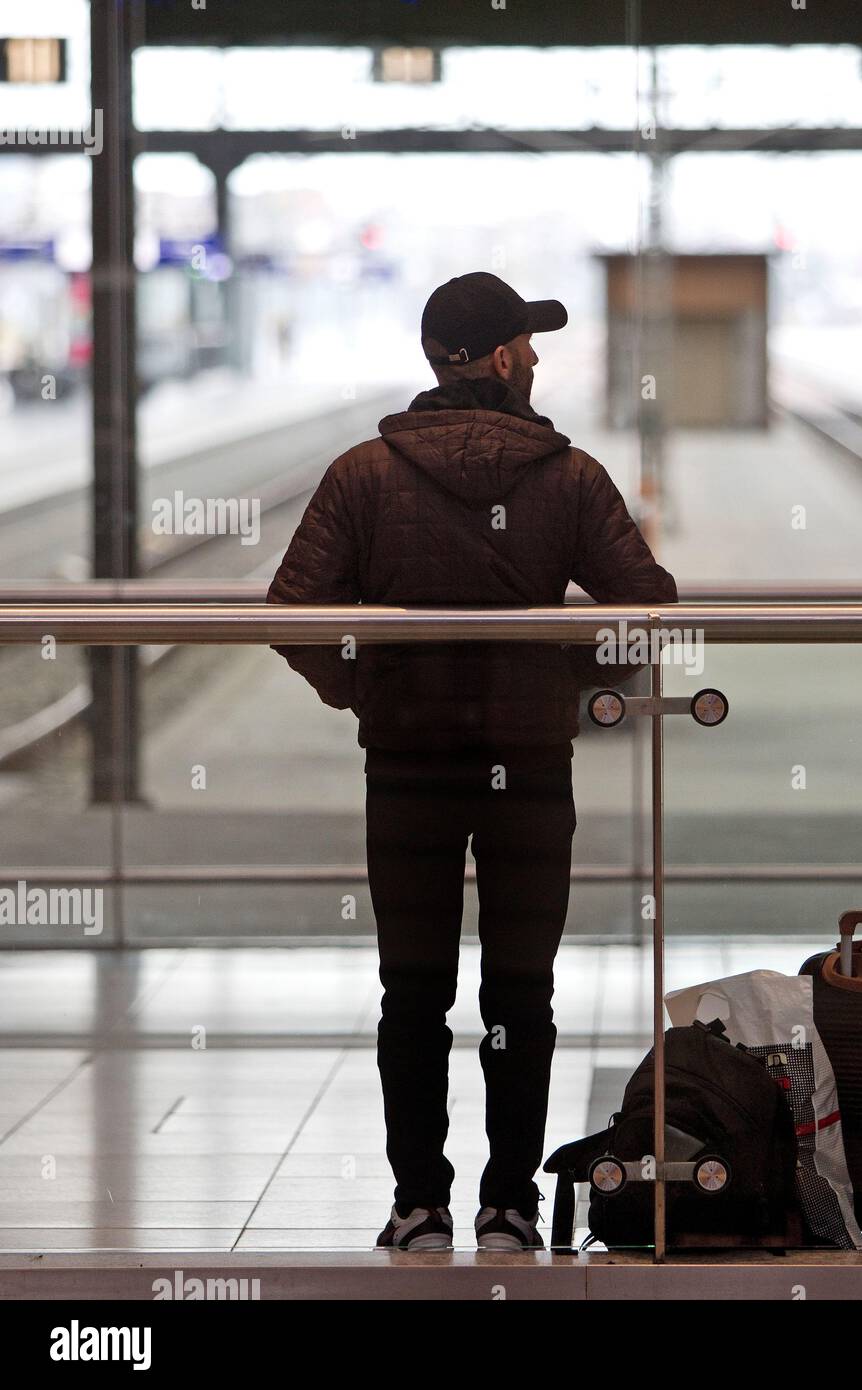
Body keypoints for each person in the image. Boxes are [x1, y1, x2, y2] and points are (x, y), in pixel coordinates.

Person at [267, 271, 677, 1251]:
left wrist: (363, 685)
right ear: (496, 359)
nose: (534, 357)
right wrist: (561, 667)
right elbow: (647, 612)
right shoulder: (566, 477)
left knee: (411, 987)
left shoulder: (364, 475)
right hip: (528, 765)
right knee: (519, 990)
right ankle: (509, 1202)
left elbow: (289, 614)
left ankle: (418, 1203)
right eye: (524, 344)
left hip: (404, 761)